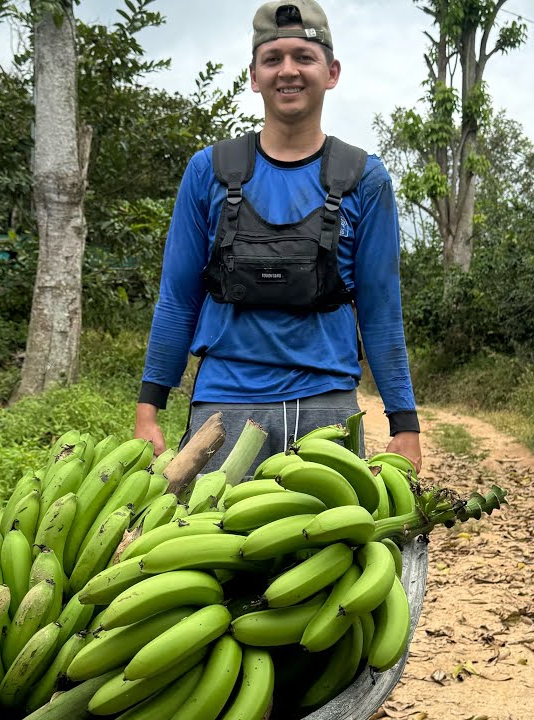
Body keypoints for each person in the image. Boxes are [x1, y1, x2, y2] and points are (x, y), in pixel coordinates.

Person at [134, 0, 422, 476]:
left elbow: (381, 308)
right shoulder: (209, 170)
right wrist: (149, 409)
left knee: (331, 548)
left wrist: (404, 423)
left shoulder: (364, 178)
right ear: (253, 75)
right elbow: (177, 299)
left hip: (327, 410)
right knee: (214, 546)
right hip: (221, 411)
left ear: (331, 72)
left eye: (303, 57)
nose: (288, 71)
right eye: (273, 59)